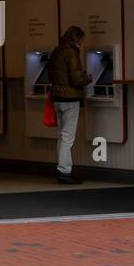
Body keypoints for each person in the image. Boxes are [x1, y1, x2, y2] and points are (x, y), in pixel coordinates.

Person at [48, 25, 92, 185]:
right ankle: (65, 171)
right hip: (70, 99)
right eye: (81, 39)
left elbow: (50, 74)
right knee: (68, 137)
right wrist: (87, 78)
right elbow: (76, 79)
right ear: (76, 38)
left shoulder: (56, 51)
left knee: (61, 135)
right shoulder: (71, 53)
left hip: (57, 98)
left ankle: (62, 168)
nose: (81, 43)